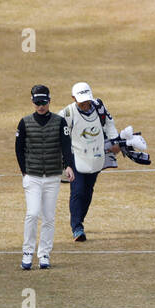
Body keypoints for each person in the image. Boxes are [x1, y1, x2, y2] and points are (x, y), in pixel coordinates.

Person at [15, 85, 73, 271]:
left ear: (50, 101)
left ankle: (44, 253)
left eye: (44, 102)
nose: (41, 106)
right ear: (32, 101)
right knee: (32, 214)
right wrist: (25, 171)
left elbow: (66, 145)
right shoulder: (24, 122)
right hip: (32, 176)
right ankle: (27, 252)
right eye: (38, 102)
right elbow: (19, 148)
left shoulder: (60, 122)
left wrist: (68, 166)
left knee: (48, 217)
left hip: (52, 176)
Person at [60, 81, 119, 242]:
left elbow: (109, 124)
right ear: (73, 98)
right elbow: (58, 132)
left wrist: (116, 142)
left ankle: (80, 219)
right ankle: (77, 227)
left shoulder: (99, 107)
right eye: (81, 101)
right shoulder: (67, 113)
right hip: (76, 159)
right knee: (78, 191)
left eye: (87, 100)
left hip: (96, 158)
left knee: (88, 191)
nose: (85, 104)